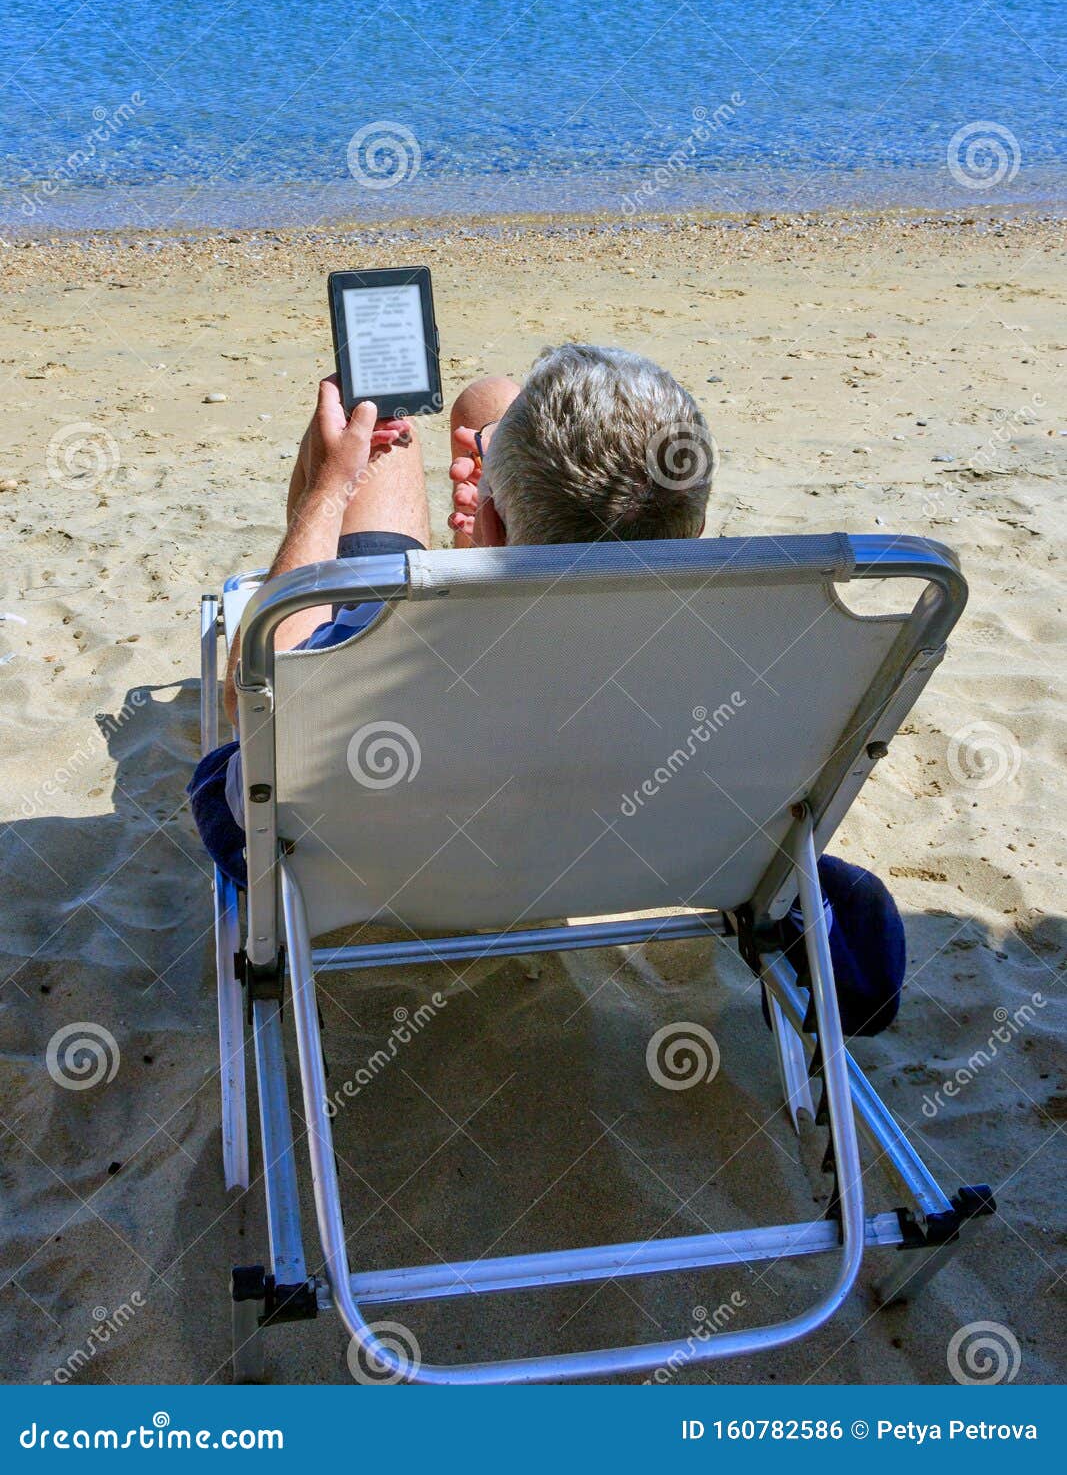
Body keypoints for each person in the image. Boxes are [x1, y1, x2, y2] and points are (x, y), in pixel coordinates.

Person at [188, 343, 905, 1036]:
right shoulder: (755, 653)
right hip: (634, 854)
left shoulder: (371, 641)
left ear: (488, 517)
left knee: (381, 433)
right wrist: (499, 537)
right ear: (698, 521)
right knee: (491, 398)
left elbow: (249, 692)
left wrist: (330, 486)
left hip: (383, 854)